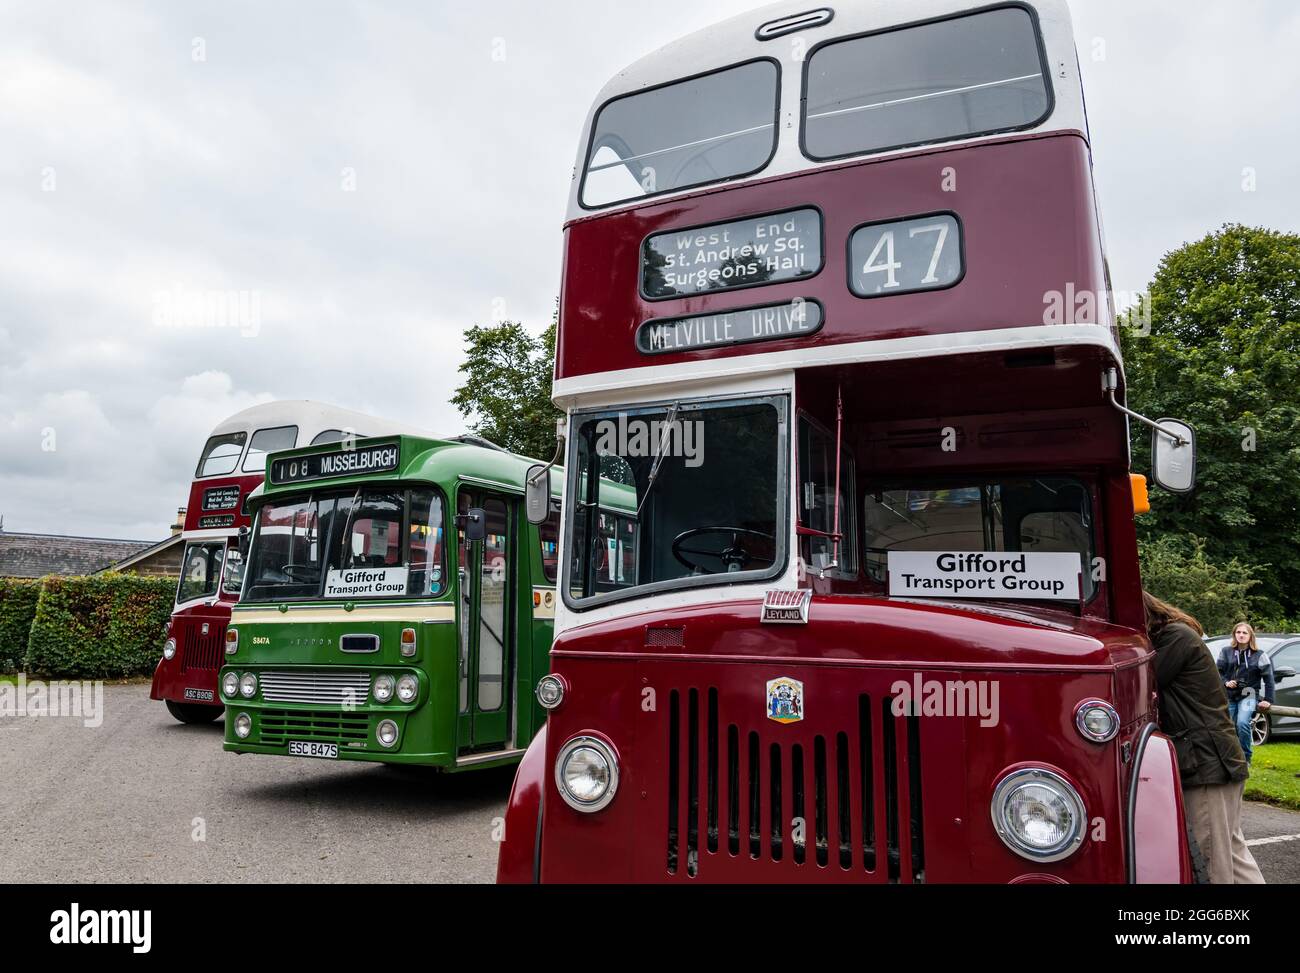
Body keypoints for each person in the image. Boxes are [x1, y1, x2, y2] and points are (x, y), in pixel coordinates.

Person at [1144, 592, 1263, 884]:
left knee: (1211, 860)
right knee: (1232, 855)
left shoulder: (1175, 638)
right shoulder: (1178, 635)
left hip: (1207, 762)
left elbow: (1145, 681)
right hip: (1218, 758)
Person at [1216, 621, 1274, 763]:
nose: (1241, 635)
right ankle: (1231, 757)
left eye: (1244, 633)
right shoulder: (1226, 652)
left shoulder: (1260, 655)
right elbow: (1218, 672)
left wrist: (1268, 699)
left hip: (1249, 693)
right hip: (1229, 695)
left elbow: (1269, 679)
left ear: (1250, 636)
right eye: (1238, 632)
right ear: (1234, 634)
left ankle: (1246, 757)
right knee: (1229, 726)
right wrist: (1225, 682)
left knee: (1242, 723)